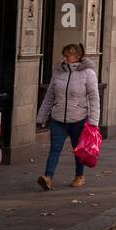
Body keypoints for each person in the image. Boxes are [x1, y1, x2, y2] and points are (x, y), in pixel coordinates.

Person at [36, 43, 100, 190]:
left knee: (78, 149)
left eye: (67, 56)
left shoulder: (88, 73)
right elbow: (49, 96)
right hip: (58, 118)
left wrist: (93, 121)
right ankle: (48, 177)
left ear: (77, 56)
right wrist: (41, 117)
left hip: (79, 118)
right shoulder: (59, 72)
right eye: (63, 55)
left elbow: (94, 98)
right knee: (54, 149)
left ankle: (79, 176)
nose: (64, 58)